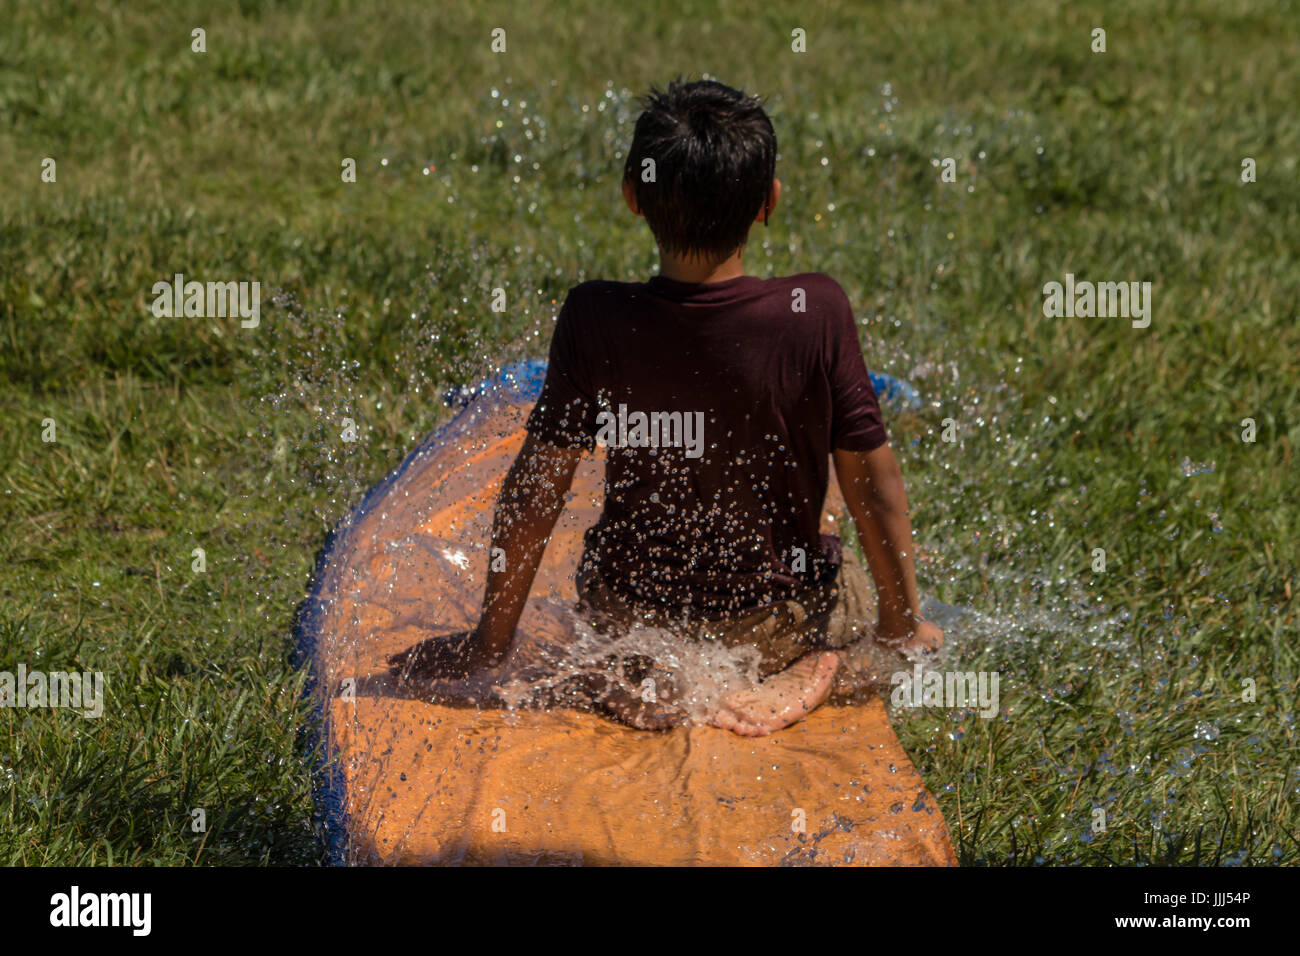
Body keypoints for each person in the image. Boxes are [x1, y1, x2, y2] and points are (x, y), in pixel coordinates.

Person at [389, 78, 942, 735]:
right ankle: (812, 663)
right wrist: (902, 625)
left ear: (632, 196)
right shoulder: (815, 311)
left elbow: (536, 491)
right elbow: (872, 487)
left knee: (617, 609)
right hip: (774, 623)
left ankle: (636, 675)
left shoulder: (595, 316)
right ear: (769, 202)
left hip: (629, 618)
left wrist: (489, 644)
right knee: (845, 583)